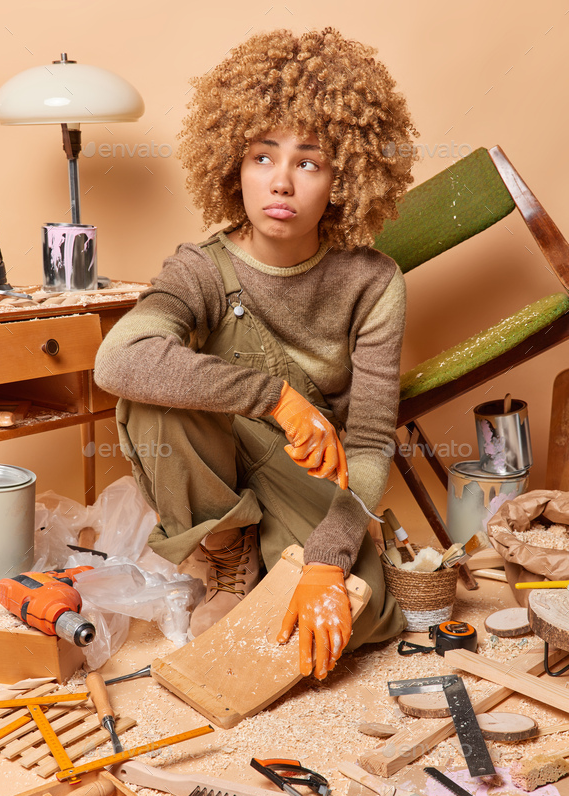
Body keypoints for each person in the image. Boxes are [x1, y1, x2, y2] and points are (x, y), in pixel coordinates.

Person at [94, 27, 418, 680]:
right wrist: (271, 396)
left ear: (345, 176)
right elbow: (116, 360)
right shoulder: (200, 269)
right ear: (232, 165)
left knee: (363, 612)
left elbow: (373, 442)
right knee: (150, 394)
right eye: (263, 157)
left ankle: (282, 553)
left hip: (309, 472)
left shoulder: (374, 282)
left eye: (309, 161)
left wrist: (329, 559)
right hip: (216, 451)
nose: (281, 182)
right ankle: (224, 551)